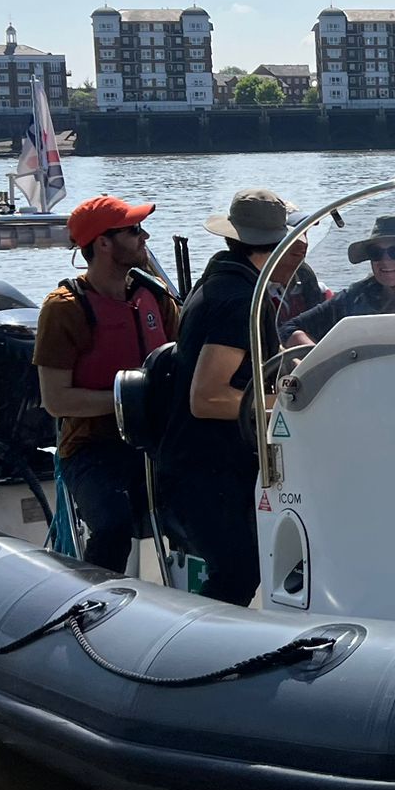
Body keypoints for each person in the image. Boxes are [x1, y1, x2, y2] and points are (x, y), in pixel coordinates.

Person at [153, 189, 306, 606]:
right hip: (208, 470)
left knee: (246, 569)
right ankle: (191, 656)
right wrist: (293, 404)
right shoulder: (239, 301)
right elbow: (206, 397)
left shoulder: (221, 283)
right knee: (239, 573)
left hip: (206, 465)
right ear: (281, 243)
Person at [33, 195, 179, 574]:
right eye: (132, 230)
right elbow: (55, 400)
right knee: (114, 528)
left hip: (157, 442)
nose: (144, 235)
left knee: (212, 504)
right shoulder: (65, 308)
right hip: (92, 448)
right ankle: (90, 607)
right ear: (102, 243)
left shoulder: (156, 297)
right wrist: (129, 400)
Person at [285, 214, 395, 342]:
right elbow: (288, 328)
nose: (385, 261)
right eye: (376, 253)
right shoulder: (355, 295)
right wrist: (316, 360)